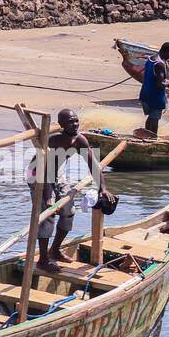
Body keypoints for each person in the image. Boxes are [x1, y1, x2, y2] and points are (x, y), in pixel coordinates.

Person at [34, 108, 100, 272]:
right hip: (37, 174)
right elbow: (45, 172)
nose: (75, 124)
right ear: (62, 125)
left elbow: (93, 165)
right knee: (47, 215)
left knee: (68, 210)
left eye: (76, 121)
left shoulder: (80, 141)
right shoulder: (53, 141)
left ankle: (54, 250)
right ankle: (43, 260)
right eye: (70, 122)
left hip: (56, 173)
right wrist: (48, 198)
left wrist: (103, 189)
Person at [138, 41, 169, 135]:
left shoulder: (151, 58)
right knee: (154, 120)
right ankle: (152, 139)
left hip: (145, 94)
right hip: (155, 97)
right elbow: (159, 84)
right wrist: (168, 83)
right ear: (166, 52)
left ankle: (145, 136)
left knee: (150, 117)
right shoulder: (160, 64)